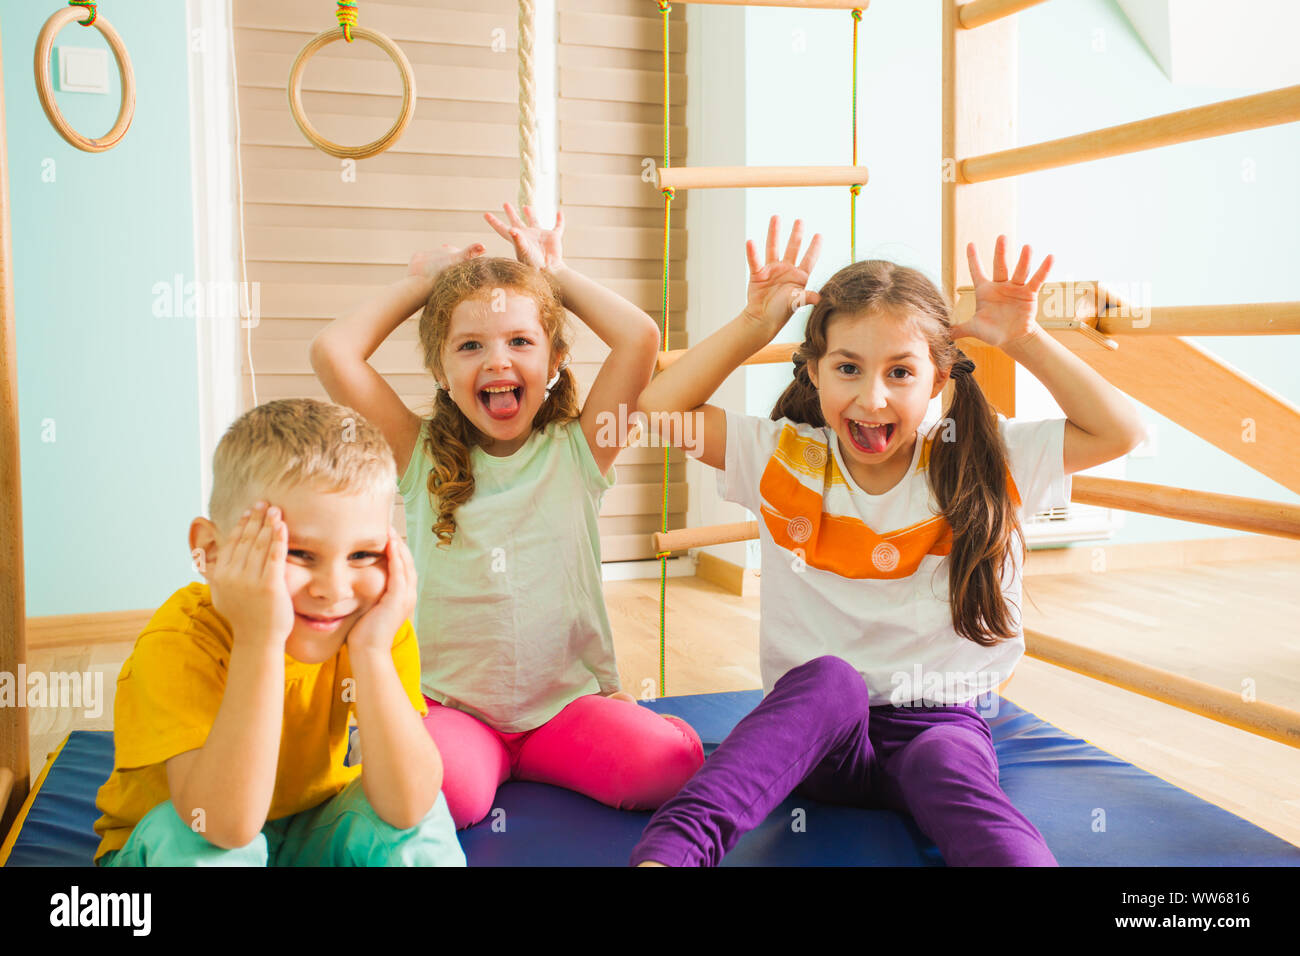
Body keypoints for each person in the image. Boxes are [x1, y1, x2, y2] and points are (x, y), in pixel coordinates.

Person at [630, 218, 1146, 866]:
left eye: (900, 372)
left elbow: (1120, 431)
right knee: (831, 683)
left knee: (944, 761)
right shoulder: (782, 457)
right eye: (848, 367)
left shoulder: (987, 458)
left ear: (939, 379)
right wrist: (752, 326)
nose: (871, 397)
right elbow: (655, 411)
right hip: (820, 741)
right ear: (814, 371)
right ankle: (672, 854)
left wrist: (1027, 338)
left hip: (941, 724)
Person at [310, 203, 703, 829]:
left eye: (521, 341)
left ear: (553, 363)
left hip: (563, 709)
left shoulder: (583, 447)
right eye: (470, 347)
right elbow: (334, 352)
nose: (497, 362)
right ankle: (427, 747)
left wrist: (554, 272)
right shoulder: (416, 455)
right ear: (441, 371)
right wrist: (422, 284)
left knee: (672, 766)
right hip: (455, 706)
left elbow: (640, 339)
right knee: (448, 800)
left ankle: (589, 734)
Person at [93, 398, 465, 866]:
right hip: (194, 835)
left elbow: (408, 805)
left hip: (307, 831)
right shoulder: (180, 640)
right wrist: (258, 641)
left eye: (363, 555)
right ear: (211, 551)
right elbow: (222, 823)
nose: (334, 589)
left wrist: (371, 652)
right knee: (208, 847)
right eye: (300, 554)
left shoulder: (372, 625)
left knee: (417, 828)